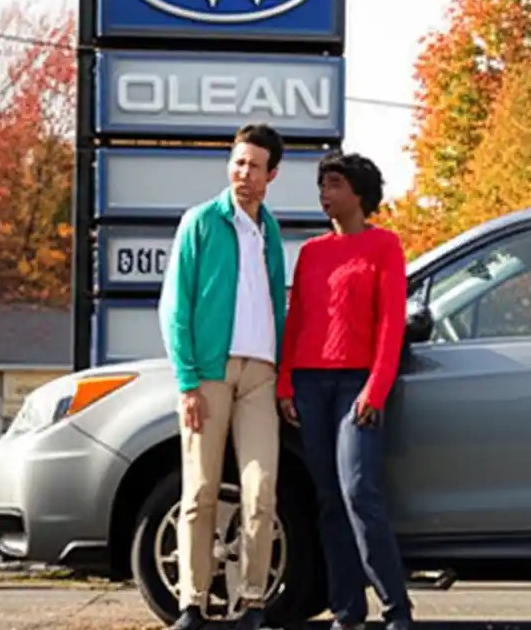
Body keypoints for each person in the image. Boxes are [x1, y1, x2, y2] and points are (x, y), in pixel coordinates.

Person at [158, 123, 290, 630]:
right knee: (201, 491)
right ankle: (192, 604)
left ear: (271, 174)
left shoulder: (271, 231)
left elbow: (276, 304)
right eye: (238, 162)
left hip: (260, 374)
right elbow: (175, 306)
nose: (243, 172)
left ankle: (252, 604)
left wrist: (282, 377)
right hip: (208, 374)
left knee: (261, 491)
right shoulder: (200, 223)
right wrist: (187, 382)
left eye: (254, 166)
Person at [276, 150, 414, 630]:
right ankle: (347, 611)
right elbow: (296, 322)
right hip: (310, 385)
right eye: (322, 186)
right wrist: (285, 382)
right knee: (329, 500)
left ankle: (397, 609)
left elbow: (392, 324)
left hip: (357, 385)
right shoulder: (312, 252)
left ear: (358, 193)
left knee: (360, 492)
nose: (325, 195)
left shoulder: (384, 247)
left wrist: (375, 390)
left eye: (334, 185)